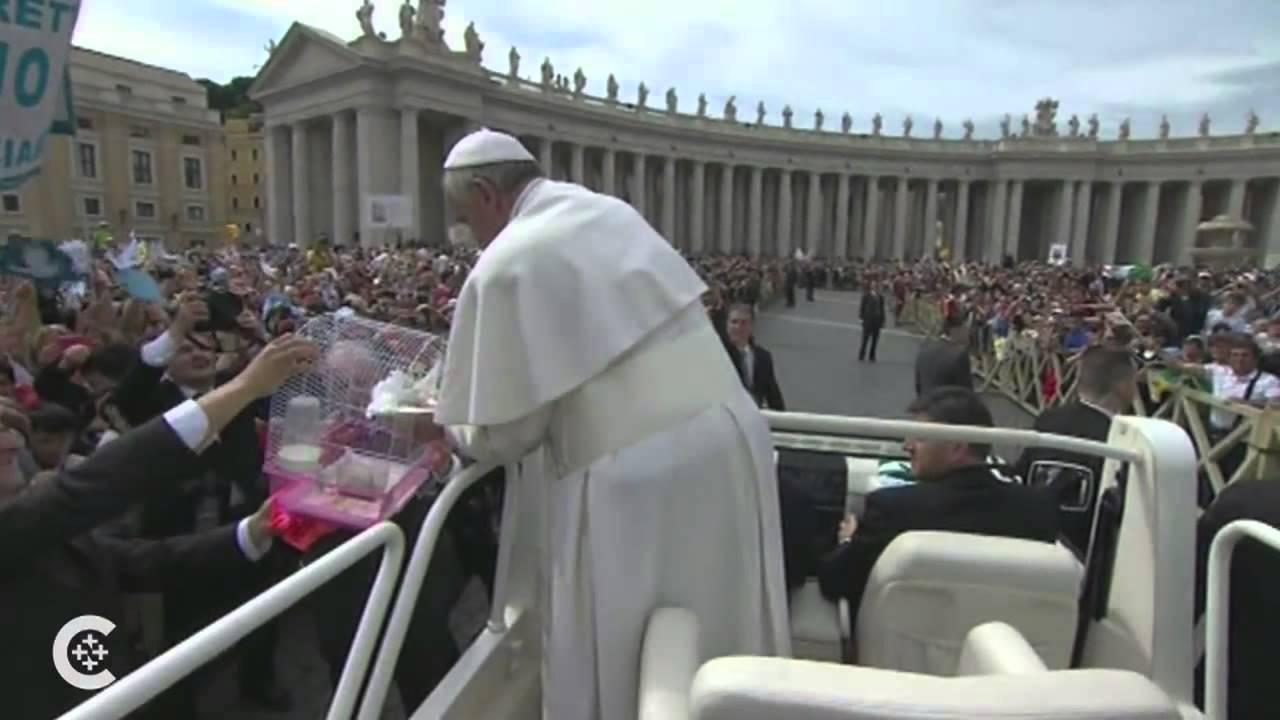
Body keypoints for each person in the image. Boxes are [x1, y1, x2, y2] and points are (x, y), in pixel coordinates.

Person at [419, 128, 789, 719]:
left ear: (488, 192)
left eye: (464, 220)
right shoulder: (609, 214)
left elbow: (505, 433)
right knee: (722, 614)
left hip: (637, 478)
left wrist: (442, 425)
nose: (468, 239)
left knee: (630, 656)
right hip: (729, 439)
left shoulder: (510, 261)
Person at [0, 335, 317, 720]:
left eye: (8, 428)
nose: (8, 440)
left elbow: (141, 561)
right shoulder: (25, 524)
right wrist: (243, 388)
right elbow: (95, 483)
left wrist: (253, 531)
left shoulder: (49, 533)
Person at [817, 387, 1060, 632]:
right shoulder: (1038, 509)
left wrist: (848, 540)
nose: (907, 446)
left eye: (919, 438)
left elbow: (834, 581)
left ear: (957, 449)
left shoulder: (893, 509)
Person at [1015, 346, 1135, 558]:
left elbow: (1021, 473)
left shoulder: (1048, 418)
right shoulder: (1120, 438)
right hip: (1091, 554)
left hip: (1035, 538)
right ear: (1123, 386)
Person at [723, 303, 786, 410]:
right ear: (727, 325)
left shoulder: (763, 357)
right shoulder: (720, 354)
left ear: (752, 326)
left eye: (744, 323)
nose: (738, 327)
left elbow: (773, 395)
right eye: (734, 322)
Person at [914, 313, 974, 396]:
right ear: (954, 330)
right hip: (948, 406)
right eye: (965, 328)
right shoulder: (960, 355)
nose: (968, 333)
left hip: (926, 404)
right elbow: (966, 392)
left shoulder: (924, 350)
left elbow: (918, 386)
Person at [859, 281, 886, 362]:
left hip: (877, 320)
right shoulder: (866, 295)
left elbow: (882, 309)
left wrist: (883, 320)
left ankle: (872, 355)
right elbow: (862, 307)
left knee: (875, 339)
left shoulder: (881, 297)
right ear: (871, 287)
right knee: (865, 339)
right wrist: (861, 318)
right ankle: (862, 354)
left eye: (876, 286)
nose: (875, 287)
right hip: (868, 319)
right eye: (873, 285)